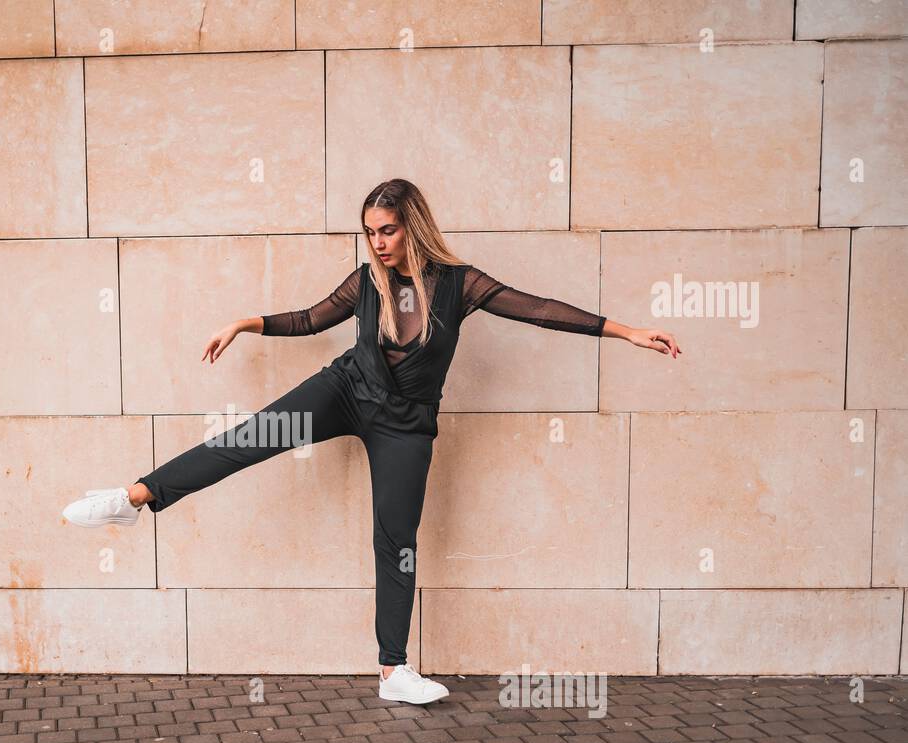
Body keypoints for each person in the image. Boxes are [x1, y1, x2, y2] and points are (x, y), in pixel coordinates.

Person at [62, 179, 681, 705]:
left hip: (405, 424)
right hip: (345, 390)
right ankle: (131, 497)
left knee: (396, 538)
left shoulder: (459, 285)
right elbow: (308, 319)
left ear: (412, 228)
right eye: (370, 233)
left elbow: (538, 309)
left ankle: (393, 670)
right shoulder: (366, 282)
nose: (378, 244)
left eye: (386, 231)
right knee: (245, 440)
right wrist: (244, 323)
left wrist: (626, 331)